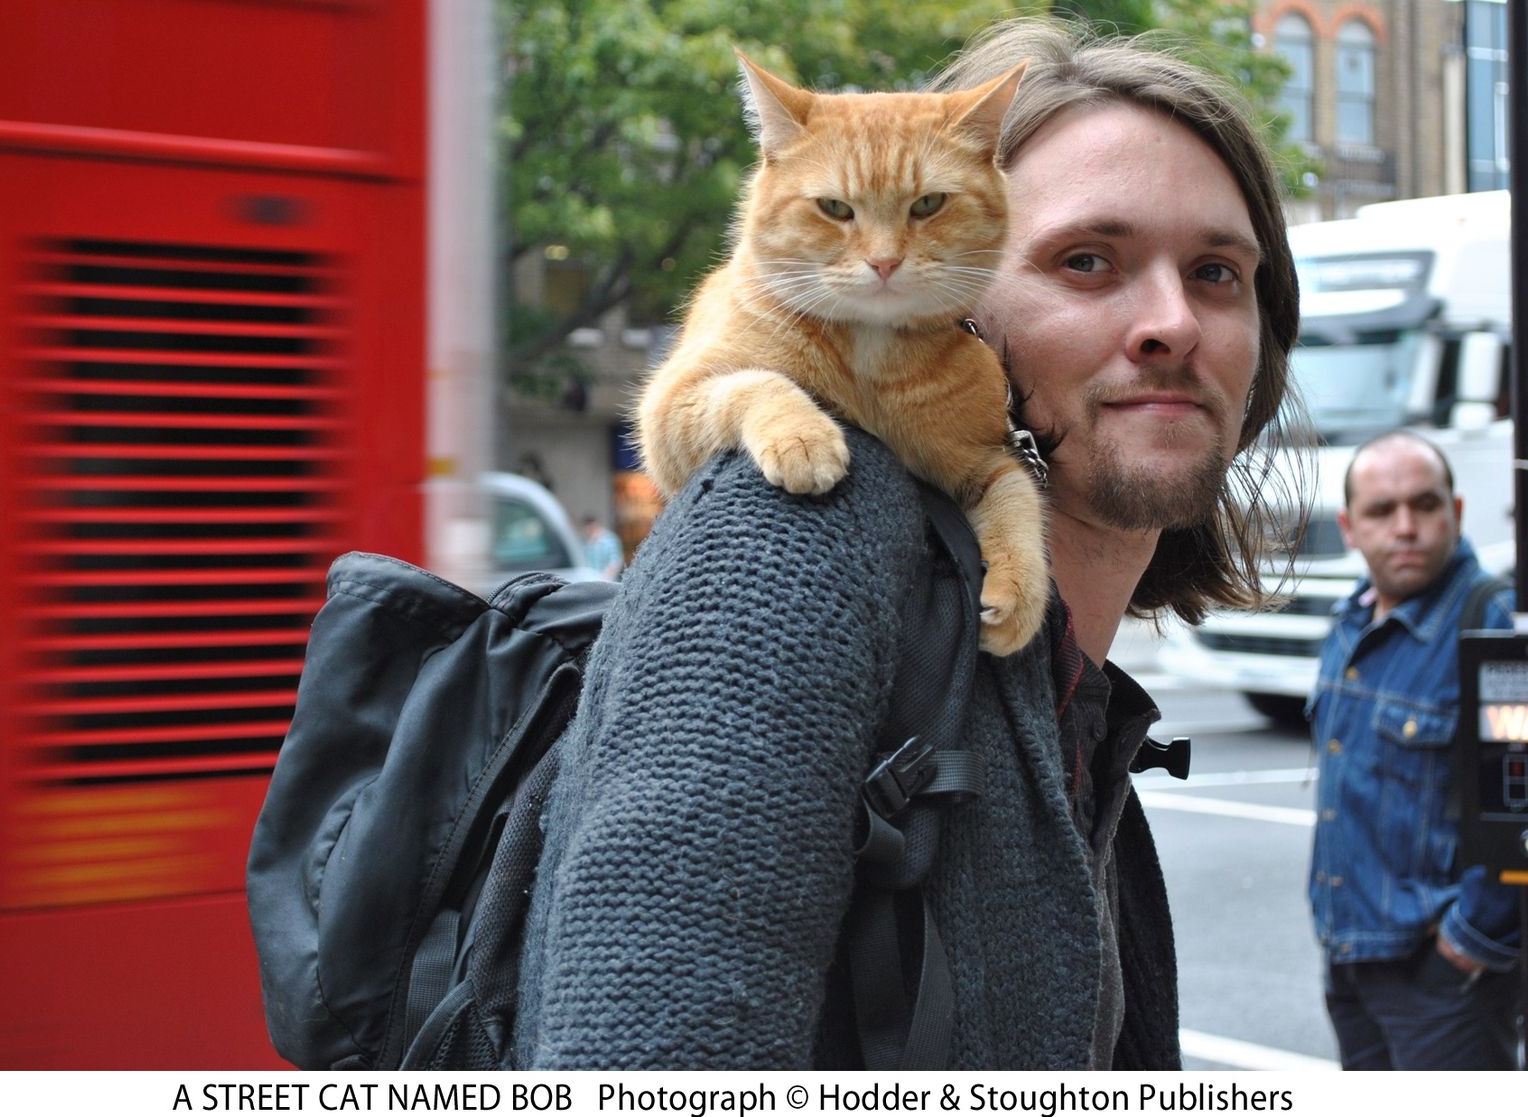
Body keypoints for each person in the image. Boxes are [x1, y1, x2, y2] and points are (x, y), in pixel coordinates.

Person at [511, 17, 1306, 1069]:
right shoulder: (789, 549)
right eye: (1085, 260)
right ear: (956, 305)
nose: (1172, 322)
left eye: (1216, 274)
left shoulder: (1076, 694)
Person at [1308, 430, 1522, 1070]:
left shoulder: (1494, 625)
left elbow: (1522, 809)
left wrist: (1472, 940)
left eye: (1424, 505)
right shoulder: (1350, 624)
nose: (1405, 527)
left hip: (1444, 979)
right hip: (1351, 959)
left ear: (1454, 513)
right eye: (1381, 511)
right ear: (1350, 527)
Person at [580, 514, 624, 580]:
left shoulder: (610, 539)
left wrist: (604, 578)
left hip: (608, 582)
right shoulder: (587, 542)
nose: (587, 532)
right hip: (592, 581)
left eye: (589, 529)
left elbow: (615, 562)